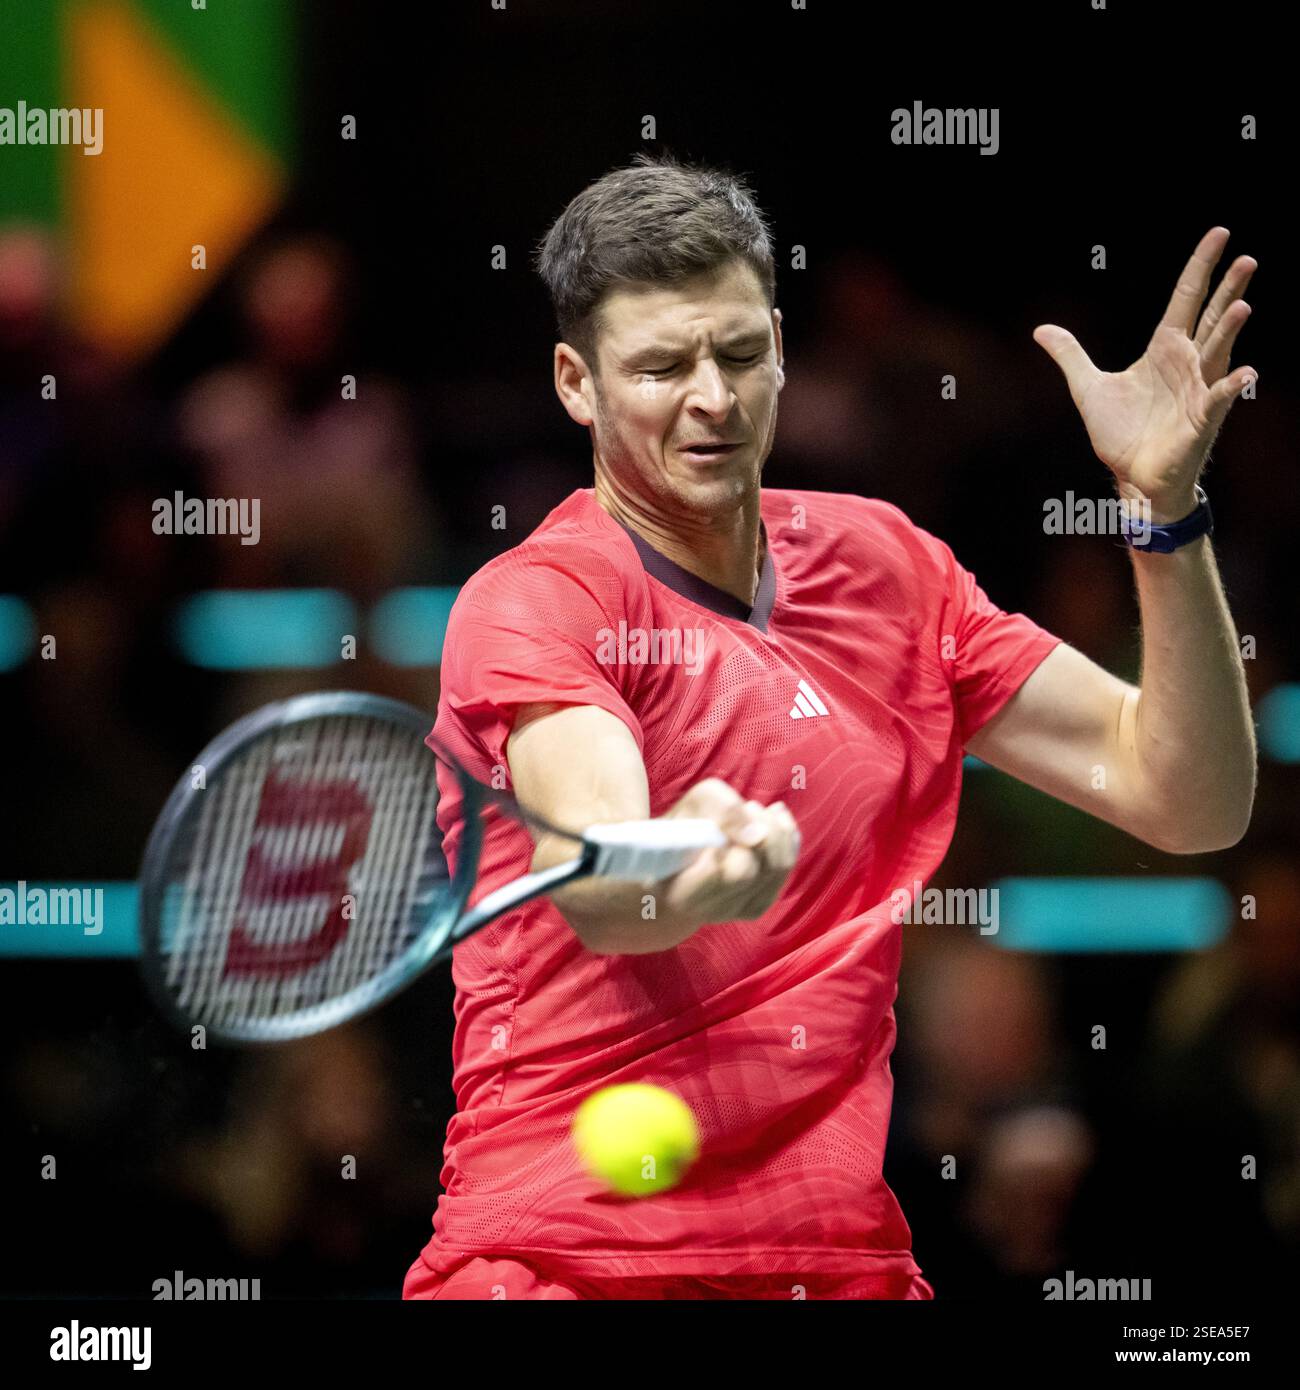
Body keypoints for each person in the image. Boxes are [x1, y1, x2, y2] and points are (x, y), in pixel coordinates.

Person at [403, 153, 1257, 1300]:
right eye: (660, 366)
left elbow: (1187, 798)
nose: (712, 397)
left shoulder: (888, 568)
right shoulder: (540, 598)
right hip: (560, 1260)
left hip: (836, 1261)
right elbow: (601, 882)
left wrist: (1165, 515)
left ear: (782, 347)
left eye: (741, 354)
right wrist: (697, 860)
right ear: (575, 382)